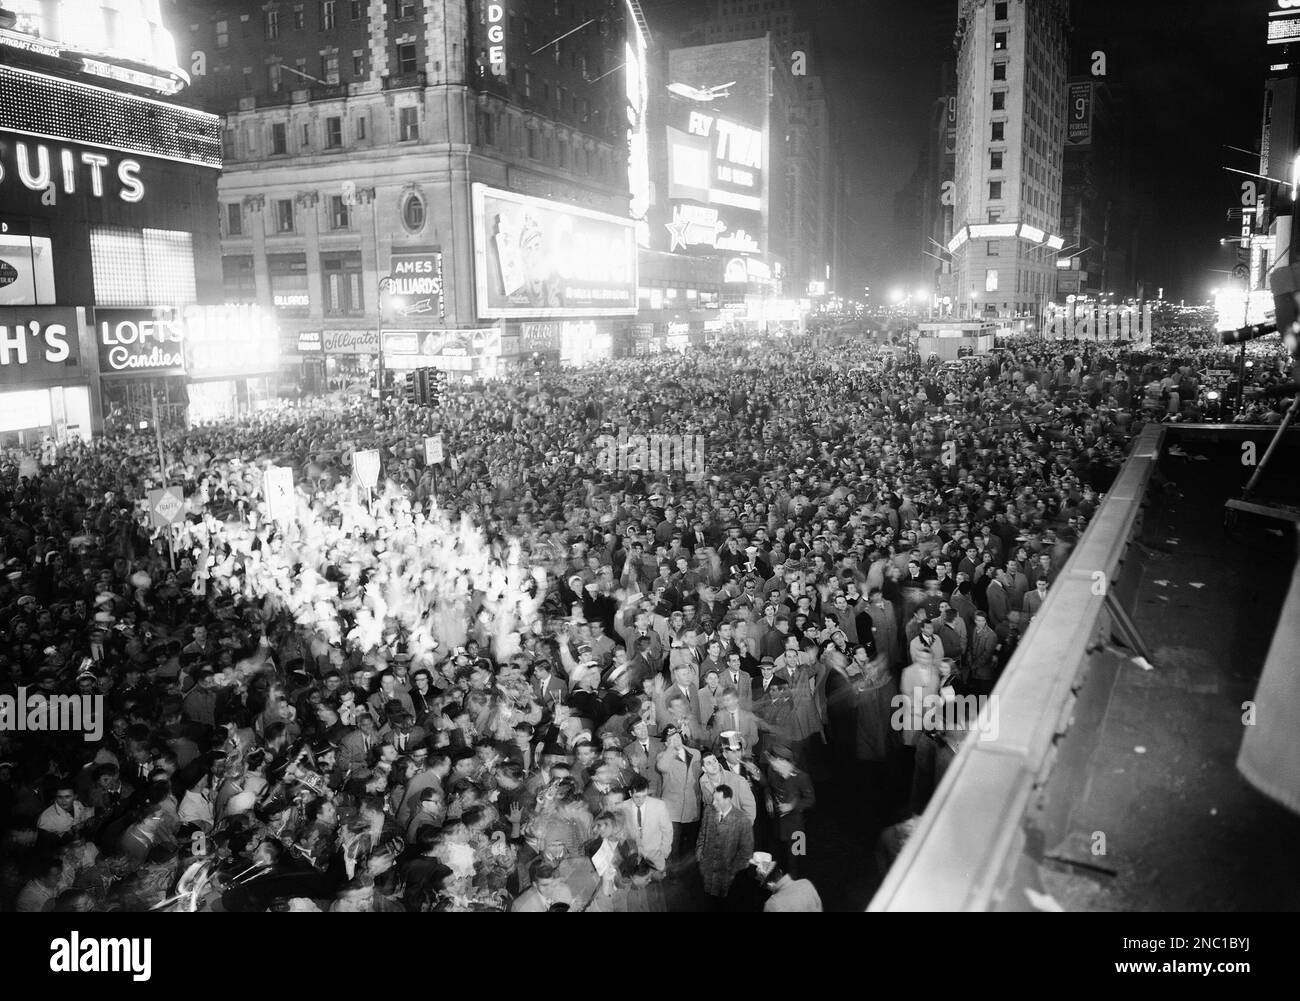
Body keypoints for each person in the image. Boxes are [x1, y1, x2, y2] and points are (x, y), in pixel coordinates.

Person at [695, 785, 754, 907]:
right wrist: (699, 854)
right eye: (713, 799)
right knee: (707, 903)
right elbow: (702, 834)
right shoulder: (708, 811)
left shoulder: (742, 820)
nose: (713, 802)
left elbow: (746, 853)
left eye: (717, 800)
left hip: (728, 879)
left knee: (725, 905)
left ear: (728, 800)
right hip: (707, 873)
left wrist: (732, 871)